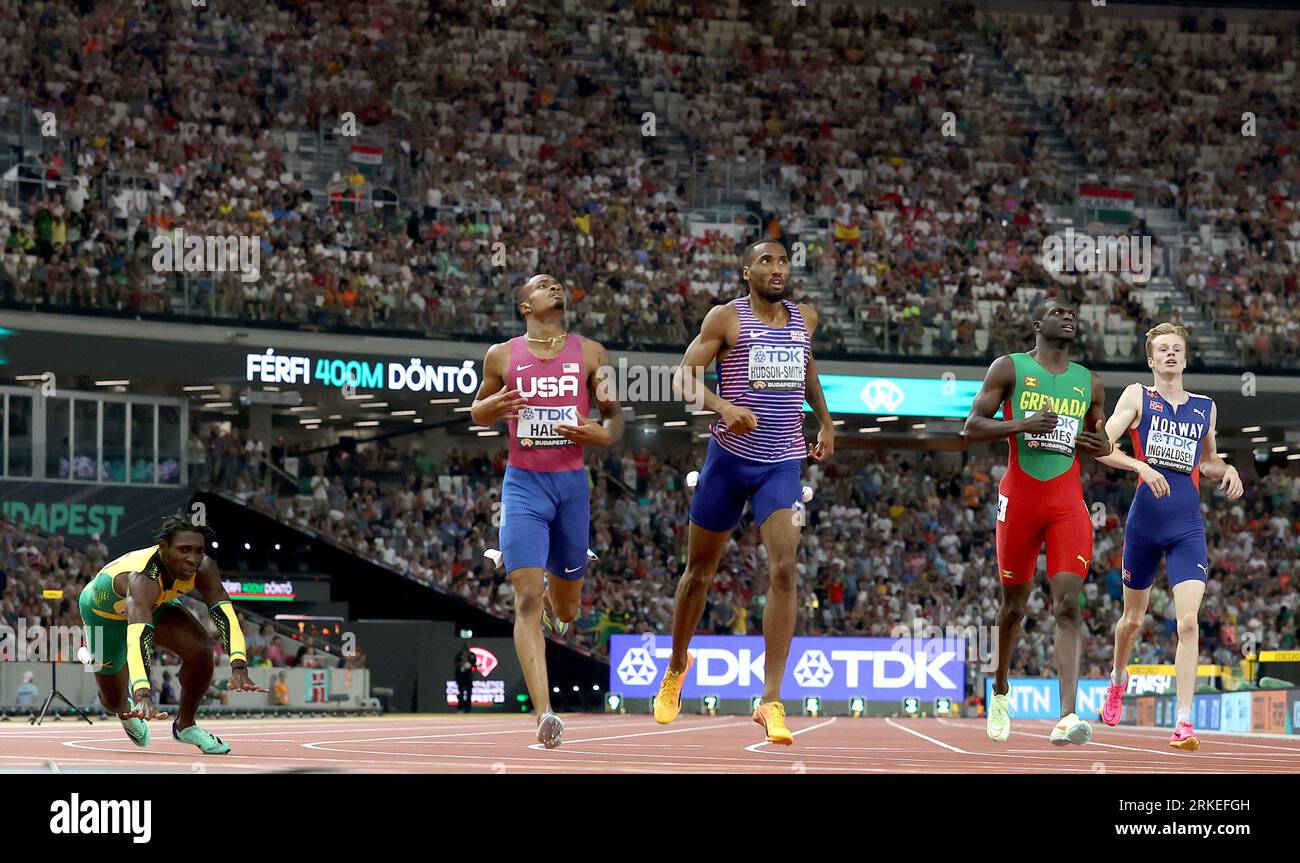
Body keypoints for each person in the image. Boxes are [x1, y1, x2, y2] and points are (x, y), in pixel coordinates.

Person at [655, 239, 835, 745]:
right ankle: (675, 668)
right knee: (698, 575)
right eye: (766, 262)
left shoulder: (807, 318)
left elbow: (806, 371)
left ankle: (771, 700)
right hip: (728, 464)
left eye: (782, 261)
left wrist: (824, 420)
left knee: (784, 568)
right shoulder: (725, 319)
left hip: (781, 464)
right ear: (746, 272)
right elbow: (683, 379)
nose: (777, 269)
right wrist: (722, 407)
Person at [470, 273, 624, 748]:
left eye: (558, 284)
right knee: (526, 598)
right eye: (543, 285)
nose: (555, 287)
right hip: (524, 486)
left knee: (567, 608)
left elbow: (615, 418)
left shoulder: (592, 352)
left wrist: (604, 432)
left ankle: (568, 589)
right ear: (525, 307)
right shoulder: (501, 355)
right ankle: (545, 713)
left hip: (571, 488)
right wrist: (490, 406)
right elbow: (477, 412)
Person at [964, 298, 1113, 746]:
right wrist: (1023, 424)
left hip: (1067, 503)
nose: (1068, 317)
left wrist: (1099, 441)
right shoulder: (1008, 369)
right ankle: (1001, 689)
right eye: (1057, 313)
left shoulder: (1090, 382)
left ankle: (1067, 715)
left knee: (1067, 604)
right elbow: (970, 427)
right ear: (1036, 324)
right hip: (1020, 501)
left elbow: (1103, 441)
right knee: (1014, 607)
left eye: (1072, 314)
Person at [1095, 323, 1244, 750]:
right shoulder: (1138, 396)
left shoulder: (1205, 407)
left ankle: (1183, 723)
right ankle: (1117, 678)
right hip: (1145, 522)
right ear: (1151, 359)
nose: (1171, 355)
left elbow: (1209, 461)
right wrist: (1140, 467)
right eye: (1163, 350)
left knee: (1188, 622)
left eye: (1177, 349)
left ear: (1185, 357)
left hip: (1186, 526)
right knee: (1133, 620)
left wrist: (1228, 469)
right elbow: (1102, 445)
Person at [76, 511, 268, 754]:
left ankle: (186, 725)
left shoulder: (204, 568)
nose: (193, 559)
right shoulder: (142, 578)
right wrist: (143, 694)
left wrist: (239, 665)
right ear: (163, 547)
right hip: (103, 615)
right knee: (113, 700)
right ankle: (125, 710)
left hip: (156, 605)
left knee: (201, 649)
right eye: (184, 550)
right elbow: (138, 639)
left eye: (198, 550)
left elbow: (226, 615)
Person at [454, 640, 475, 713]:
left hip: (468, 676)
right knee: (461, 692)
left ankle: (468, 709)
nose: (467, 646)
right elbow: (456, 662)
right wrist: (462, 664)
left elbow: (474, 664)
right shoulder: (460, 654)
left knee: (469, 692)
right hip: (460, 676)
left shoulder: (472, 655)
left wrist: (469, 665)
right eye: (466, 645)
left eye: (468, 645)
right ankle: (460, 708)